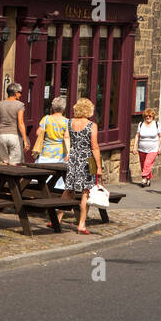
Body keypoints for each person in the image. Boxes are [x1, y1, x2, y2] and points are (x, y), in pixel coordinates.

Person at [62, 97, 102, 235]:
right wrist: (99, 166)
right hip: (88, 159)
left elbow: (66, 138)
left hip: (73, 158)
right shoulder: (92, 125)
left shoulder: (69, 122)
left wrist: (69, 152)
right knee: (86, 192)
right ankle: (81, 224)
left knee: (69, 189)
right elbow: (95, 147)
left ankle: (57, 218)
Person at [30, 96, 70, 184]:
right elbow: (66, 137)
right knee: (57, 177)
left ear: (52, 107)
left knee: (43, 175)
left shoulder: (46, 119)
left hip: (46, 151)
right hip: (59, 153)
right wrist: (68, 152)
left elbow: (38, 133)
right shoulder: (67, 122)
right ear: (64, 108)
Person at [0, 82, 27, 164]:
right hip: (14, 136)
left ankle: (2, 177)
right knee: (14, 164)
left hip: (1, 135)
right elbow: (21, 123)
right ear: (16, 93)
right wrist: (25, 140)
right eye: (20, 92)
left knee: (3, 162)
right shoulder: (20, 105)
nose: (20, 95)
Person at [134, 108, 161, 188]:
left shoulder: (156, 124)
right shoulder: (141, 124)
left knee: (147, 163)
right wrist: (135, 147)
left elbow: (160, 136)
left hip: (153, 149)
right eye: (146, 116)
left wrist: (159, 147)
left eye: (150, 116)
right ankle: (148, 178)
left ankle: (144, 179)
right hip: (142, 148)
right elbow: (137, 136)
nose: (148, 117)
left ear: (153, 116)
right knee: (143, 164)